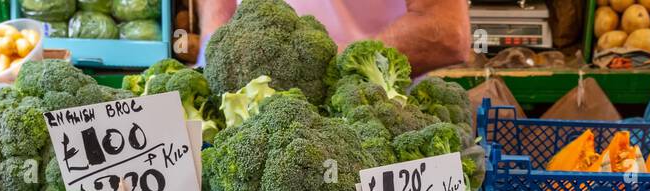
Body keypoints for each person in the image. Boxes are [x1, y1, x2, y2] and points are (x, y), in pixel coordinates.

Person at [198, 0, 472, 76]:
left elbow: (445, 32)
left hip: (371, 107)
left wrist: (322, 63)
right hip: (252, 102)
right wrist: (216, 41)